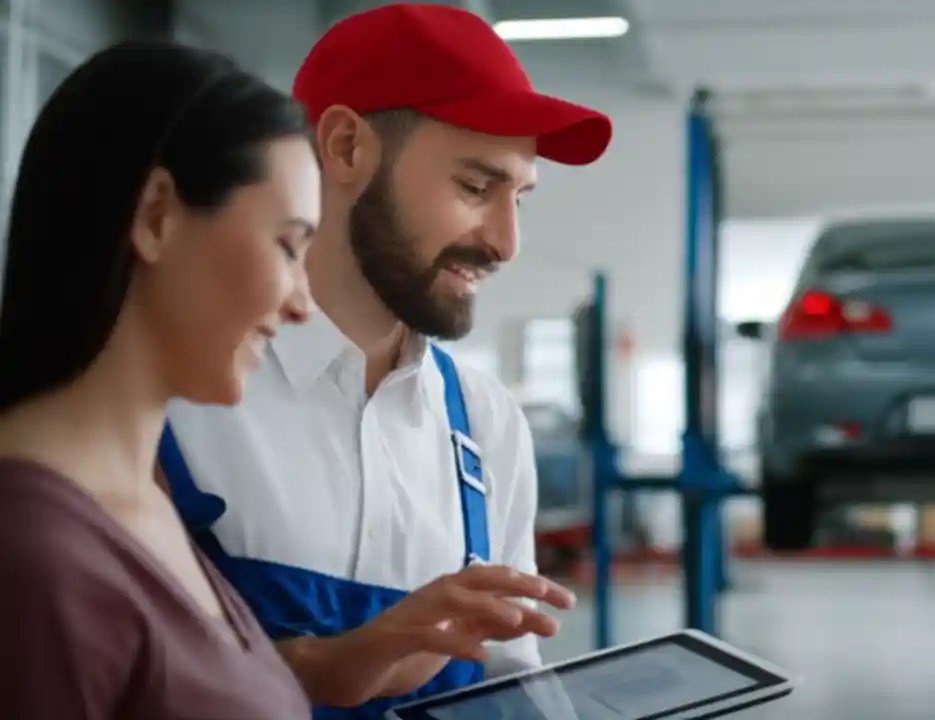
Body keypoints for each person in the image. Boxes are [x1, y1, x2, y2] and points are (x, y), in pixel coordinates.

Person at [159, 3, 614, 718]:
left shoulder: (486, 425)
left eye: (520, 197)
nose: (506, 242)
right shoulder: (174, 393)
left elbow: (506, 682)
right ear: (344, 148)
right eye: (475, 187)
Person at [0, 40, 320, 718]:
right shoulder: (32, 556)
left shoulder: (143, 500)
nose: (302, 303)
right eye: (289, 246)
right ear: (157, 216)